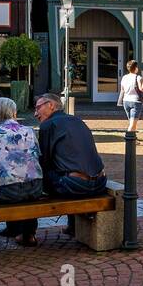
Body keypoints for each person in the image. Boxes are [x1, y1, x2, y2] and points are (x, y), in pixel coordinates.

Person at [35, 92, 107, 235]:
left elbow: (45, 161)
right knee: (64, 169)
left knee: (36, 178)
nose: (35, 113)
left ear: (51, 105)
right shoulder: (77, 120)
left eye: (38, 108)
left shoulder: (48, 125)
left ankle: (26, 232)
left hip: (74, 185)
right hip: (100, 182)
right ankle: (72, 225)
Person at [0, 97, 44, 247]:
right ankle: (28, 233)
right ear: (14, 112)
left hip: (7, 193)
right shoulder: (29, 132)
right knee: (21, 187)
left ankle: (15, 228)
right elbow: (37, 157)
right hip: (36, 188)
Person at [118, 60, 143, 134]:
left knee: (132, 122)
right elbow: (141, 89)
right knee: (133, 124)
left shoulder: (124, 77)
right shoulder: (138, 77)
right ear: (136, 68)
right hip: (136, 101)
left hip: (126, 100)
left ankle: (134, 139)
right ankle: (128, 139)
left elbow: (122, 89)